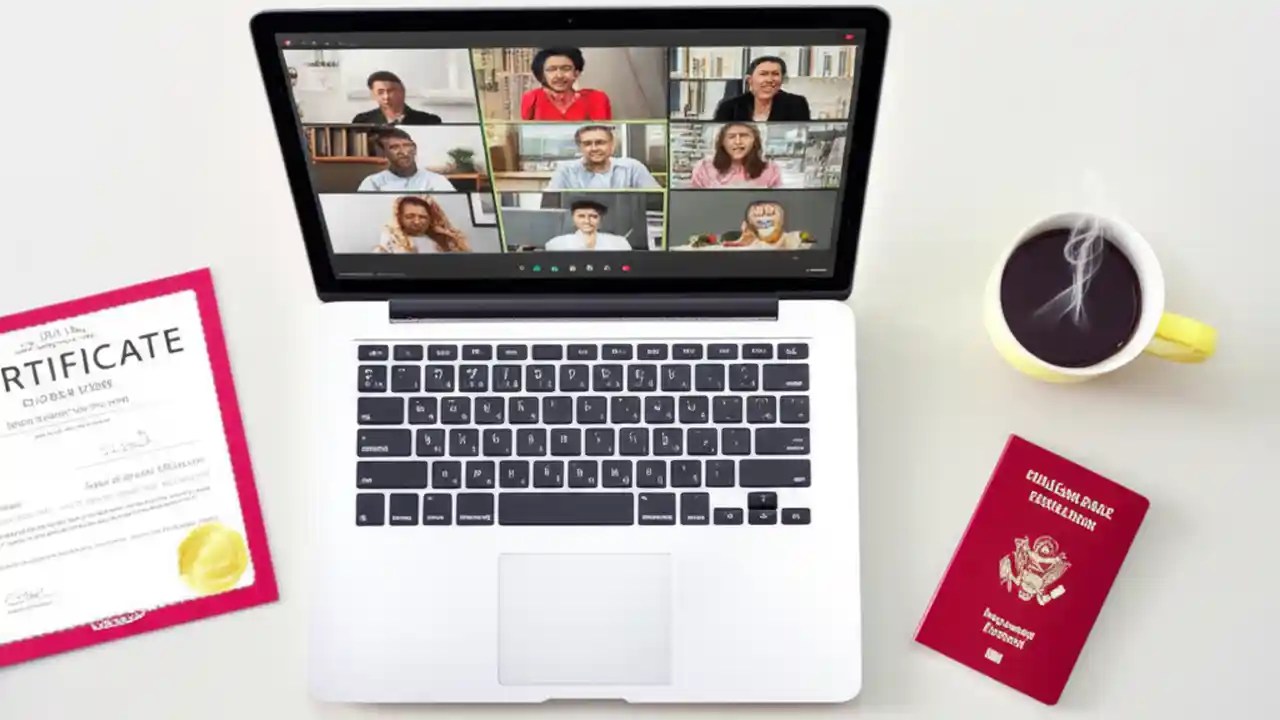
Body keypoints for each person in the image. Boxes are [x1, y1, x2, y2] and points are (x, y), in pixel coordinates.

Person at [546, 125, 660, 190]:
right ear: (580, 147)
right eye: (587, 144)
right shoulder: (565, 170)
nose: (594, 148)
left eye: (600, 143)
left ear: (612, 145)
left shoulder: (633, 168)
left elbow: (656, 200)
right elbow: (550, 206)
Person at [520, 48, 613, 121]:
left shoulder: (596, 98)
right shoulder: (532, 97)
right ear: (542, 74)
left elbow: (602, 133)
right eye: (551, 69)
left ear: (576, 73)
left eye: (566, 68)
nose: (559, 75)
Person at [713, 56, 811, 122]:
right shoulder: (729, 107)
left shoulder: (796, 104)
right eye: (763, 74)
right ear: (749, 79)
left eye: (775, 74)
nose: (769, 79)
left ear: (782, 79)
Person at [357, 128, 457, 192]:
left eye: (407, 146)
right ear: (384, 153)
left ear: (415, 149)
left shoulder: (436, 180)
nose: (404, 153)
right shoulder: (373, 183)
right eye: (394, 147)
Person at [689, 122, 782, 189]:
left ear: (755, 141)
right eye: (731, 136)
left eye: (744, 136)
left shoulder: (770, 170)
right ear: (722, 142)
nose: (738, 142)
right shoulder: (704, 169)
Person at [373, 195, 472, 253]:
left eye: (422, 217)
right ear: (399, 218)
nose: (417, 221)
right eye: (410, 216)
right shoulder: (390, 240)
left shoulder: (441, 240)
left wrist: (448, 241)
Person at [352, 71, 443, 125]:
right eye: (380, 92)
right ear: (373, 94)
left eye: (391, 91)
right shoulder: (362, 120)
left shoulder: (429, 120)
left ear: (402, 91)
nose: (386, 97)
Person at [543, 200, 633, 251]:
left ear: (601, 218)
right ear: (573, 218)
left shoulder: (620, 243)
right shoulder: (556, 244)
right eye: (581, 216)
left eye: (593, 216)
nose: (587, 221)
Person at [722, 199, 805, 250]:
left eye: (771, 213)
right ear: (746, 226)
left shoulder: (794, 239)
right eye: (757, 214)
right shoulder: (750, 245)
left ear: (782, 221)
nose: (764, 216)